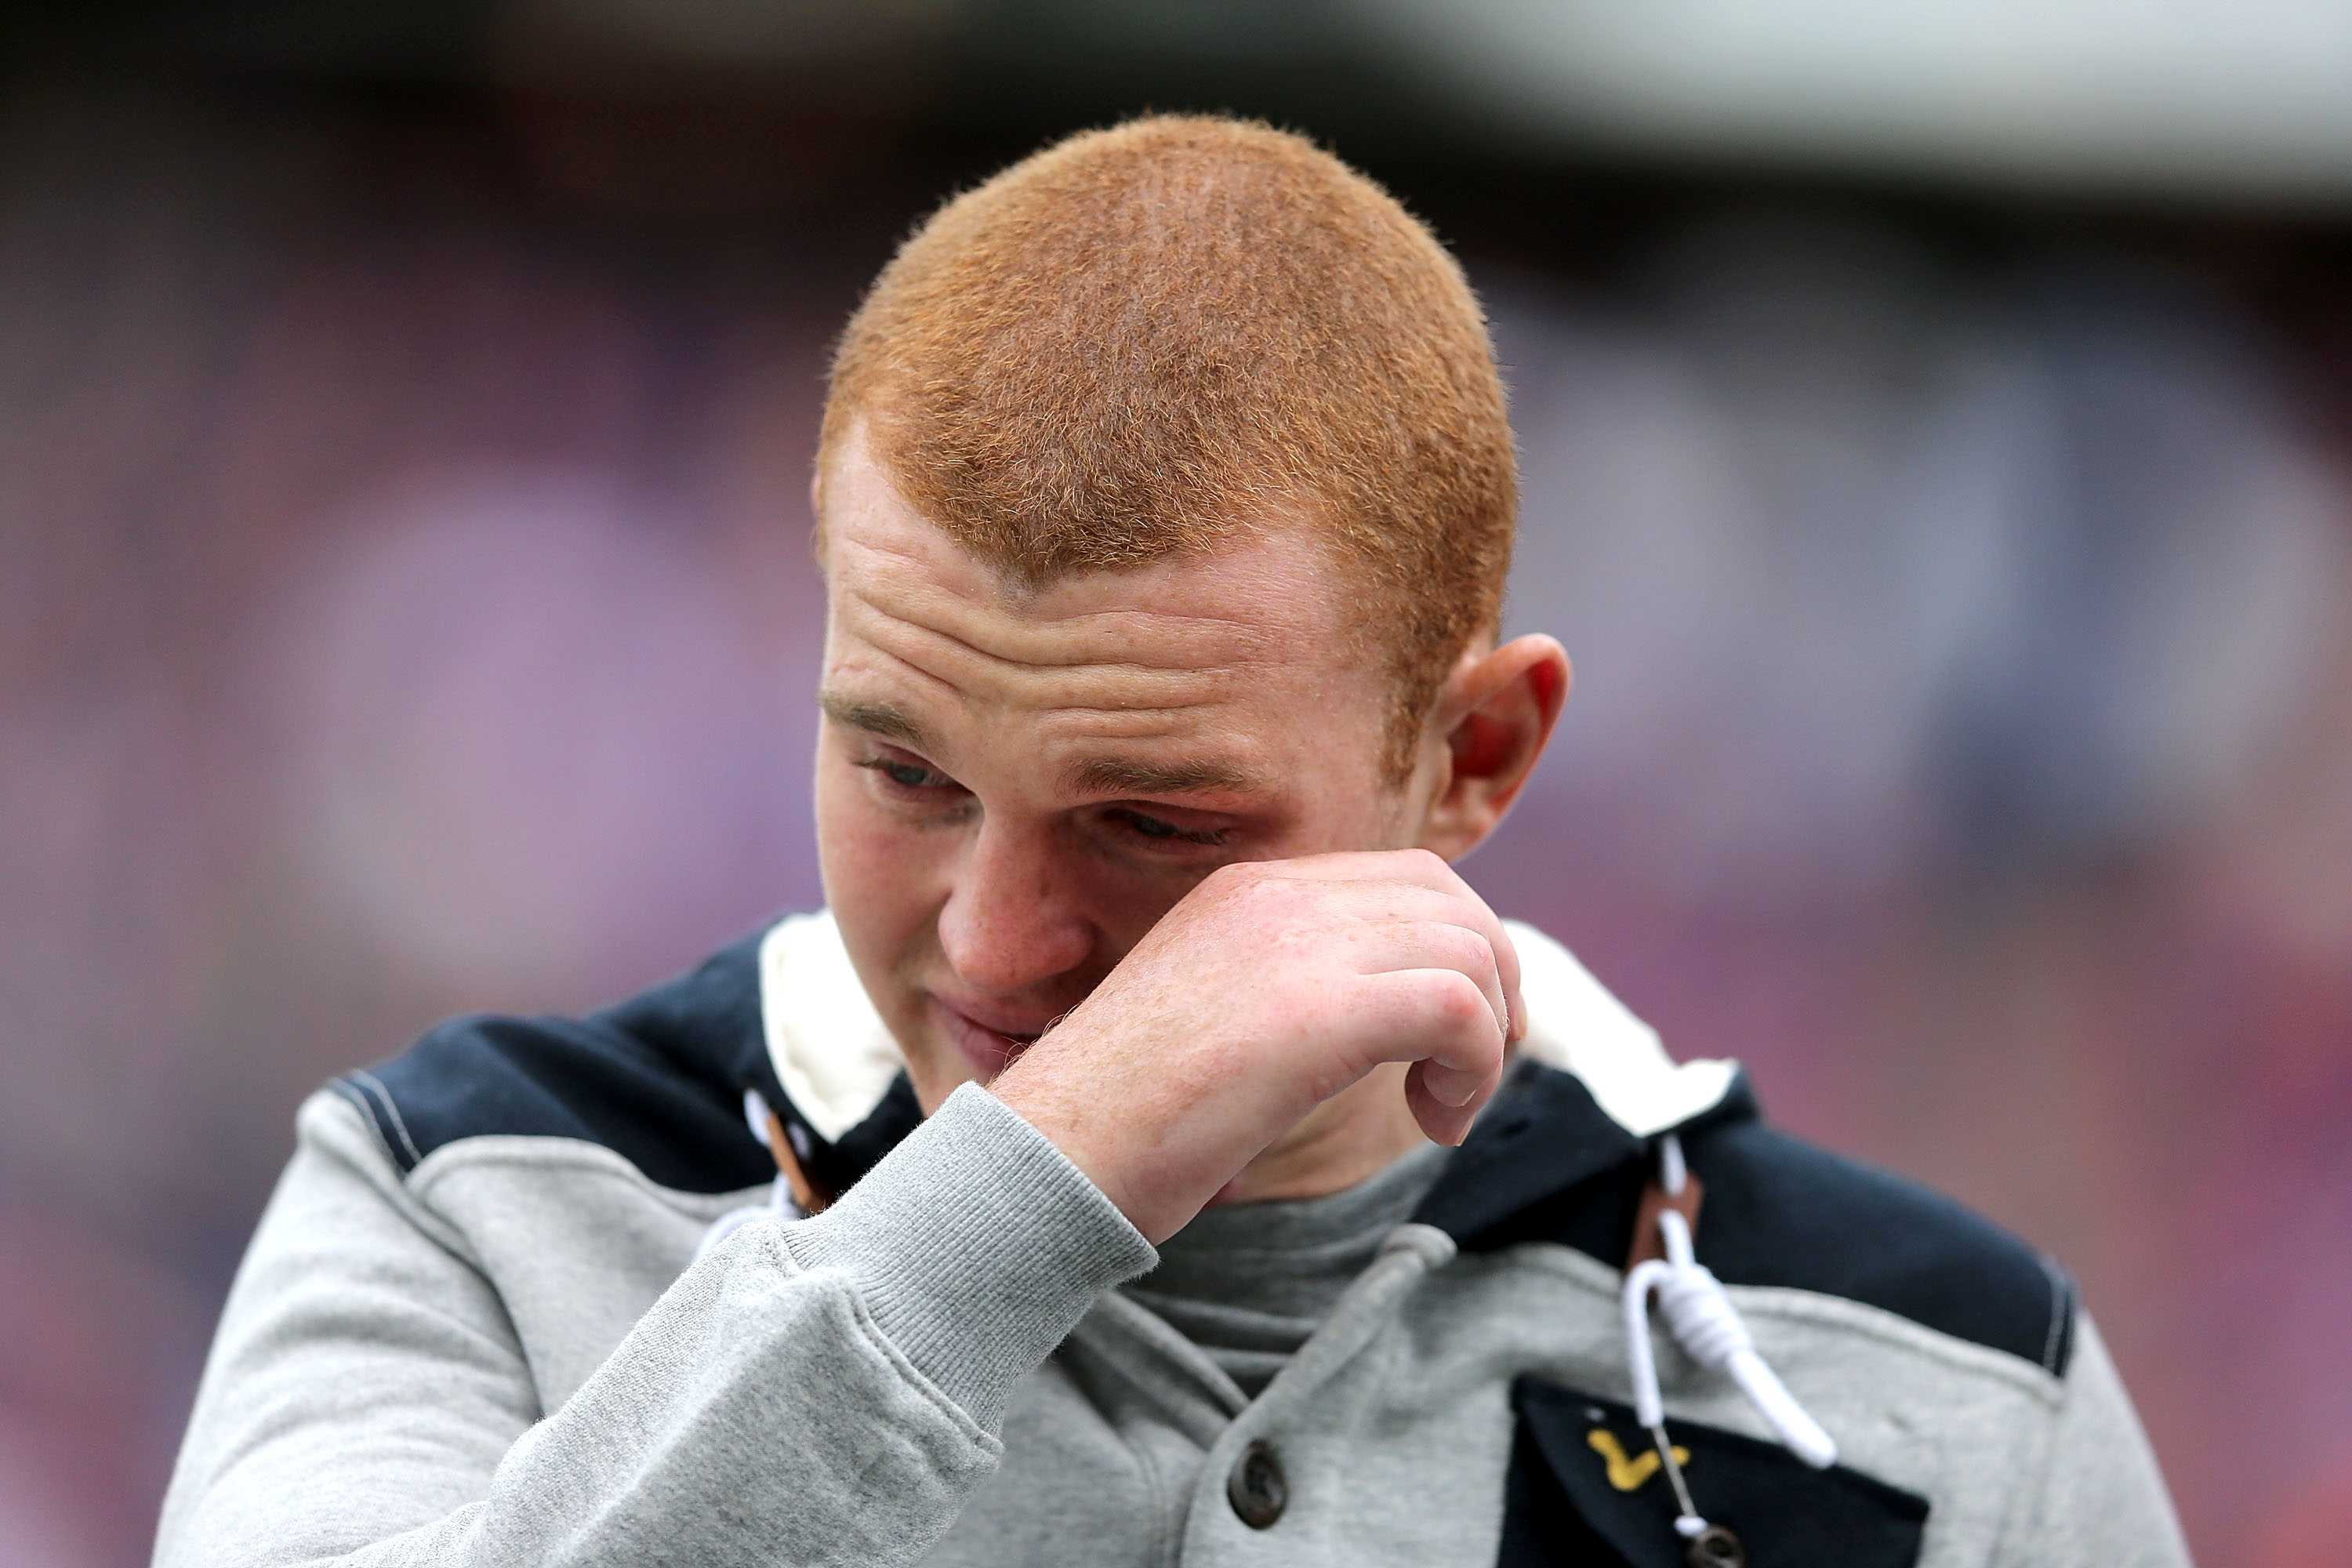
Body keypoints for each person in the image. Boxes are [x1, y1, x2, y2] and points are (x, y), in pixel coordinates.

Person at [154, 114, 2190, 1568]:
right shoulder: (469, 1200)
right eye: (905, 773)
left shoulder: (1944, 1383)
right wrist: (1037, 1181)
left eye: (1151, 820)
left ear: (1476, 754)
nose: (994, 937)